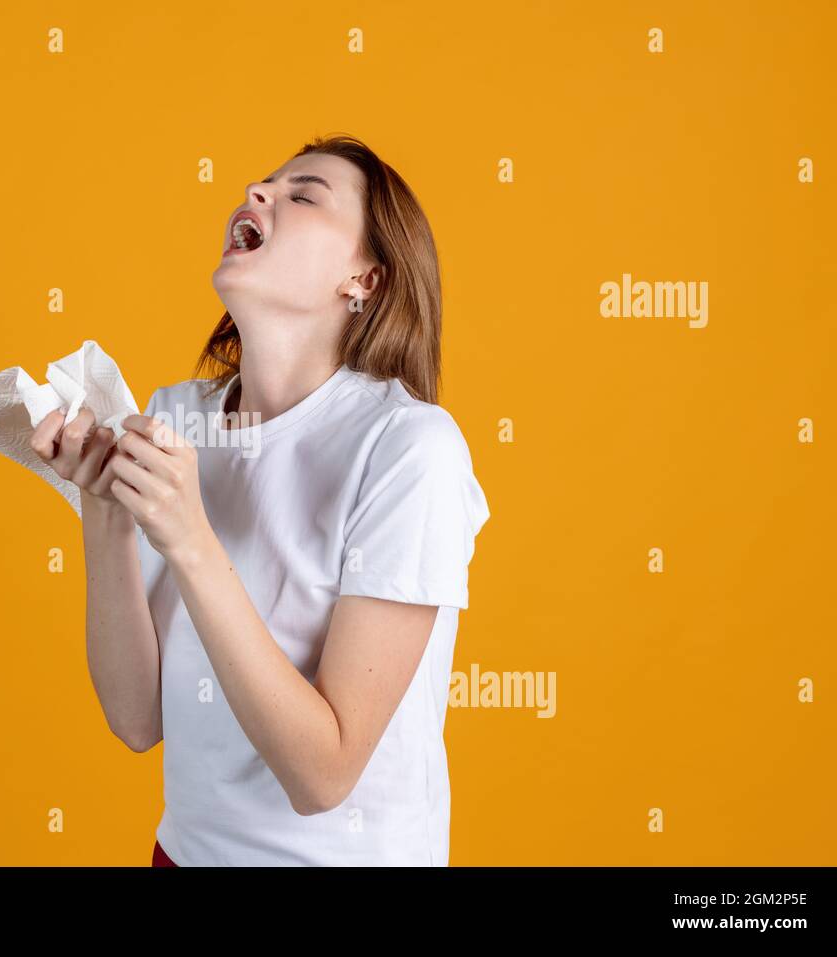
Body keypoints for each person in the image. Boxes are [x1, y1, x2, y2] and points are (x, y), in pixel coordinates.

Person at [30, 133, 491, 866]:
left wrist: (190, 539)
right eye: (262, 184)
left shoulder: (410, 449)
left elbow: (324, 773)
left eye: (303, 194)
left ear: (365, 280)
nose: (255, 192)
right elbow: (135, 716)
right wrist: (106, 513)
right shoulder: (177, 416)